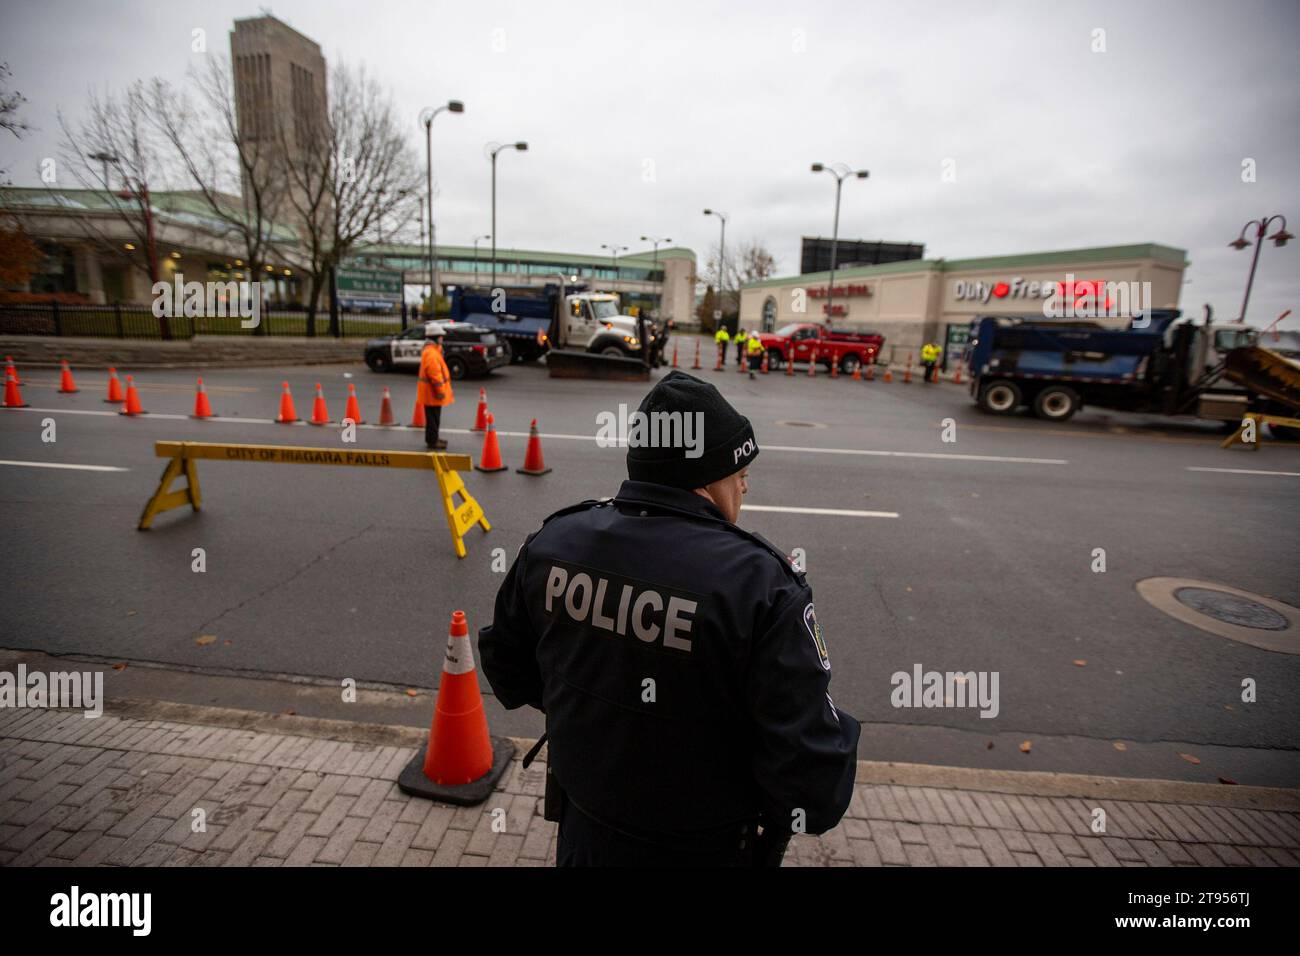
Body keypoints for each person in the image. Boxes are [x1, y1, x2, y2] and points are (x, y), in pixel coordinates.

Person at [479, 371, 860, 866]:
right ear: (704, 477)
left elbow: (507, 668)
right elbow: (814, 788)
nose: (745, 484)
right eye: (738, 471)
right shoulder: (761, 586)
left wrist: (596, 712)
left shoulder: (554, 543)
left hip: (586, 835)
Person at [417, 323, 454, 449]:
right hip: (432, 393)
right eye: (441, 336)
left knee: (433, 418)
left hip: (430, 392)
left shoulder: (432, 351)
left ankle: (433, 439)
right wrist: (440, 391)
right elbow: (435, 375)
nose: (442, 338)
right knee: (433, 419)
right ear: (436, 337)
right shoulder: (431, 353)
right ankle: (433, 441)